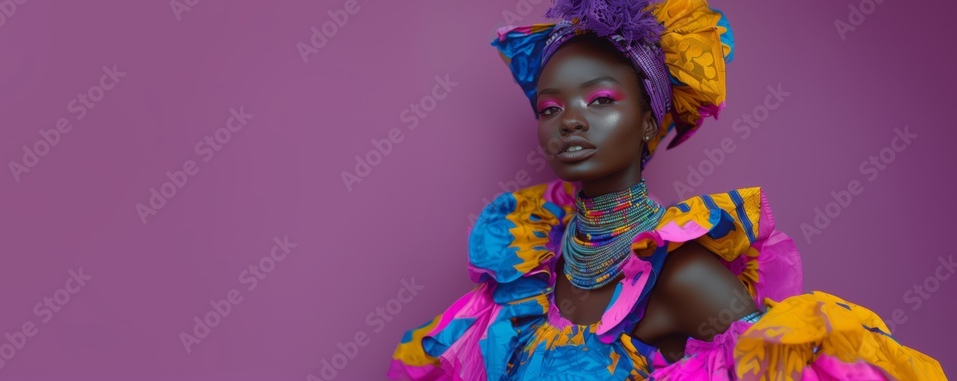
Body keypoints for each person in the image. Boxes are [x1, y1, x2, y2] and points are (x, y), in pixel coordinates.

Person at [387, 0, 947, 379]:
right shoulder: (528, 268)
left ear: (652, 120)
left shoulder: (680, 275)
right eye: (550, 108)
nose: (570, 121)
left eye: (601, 100)